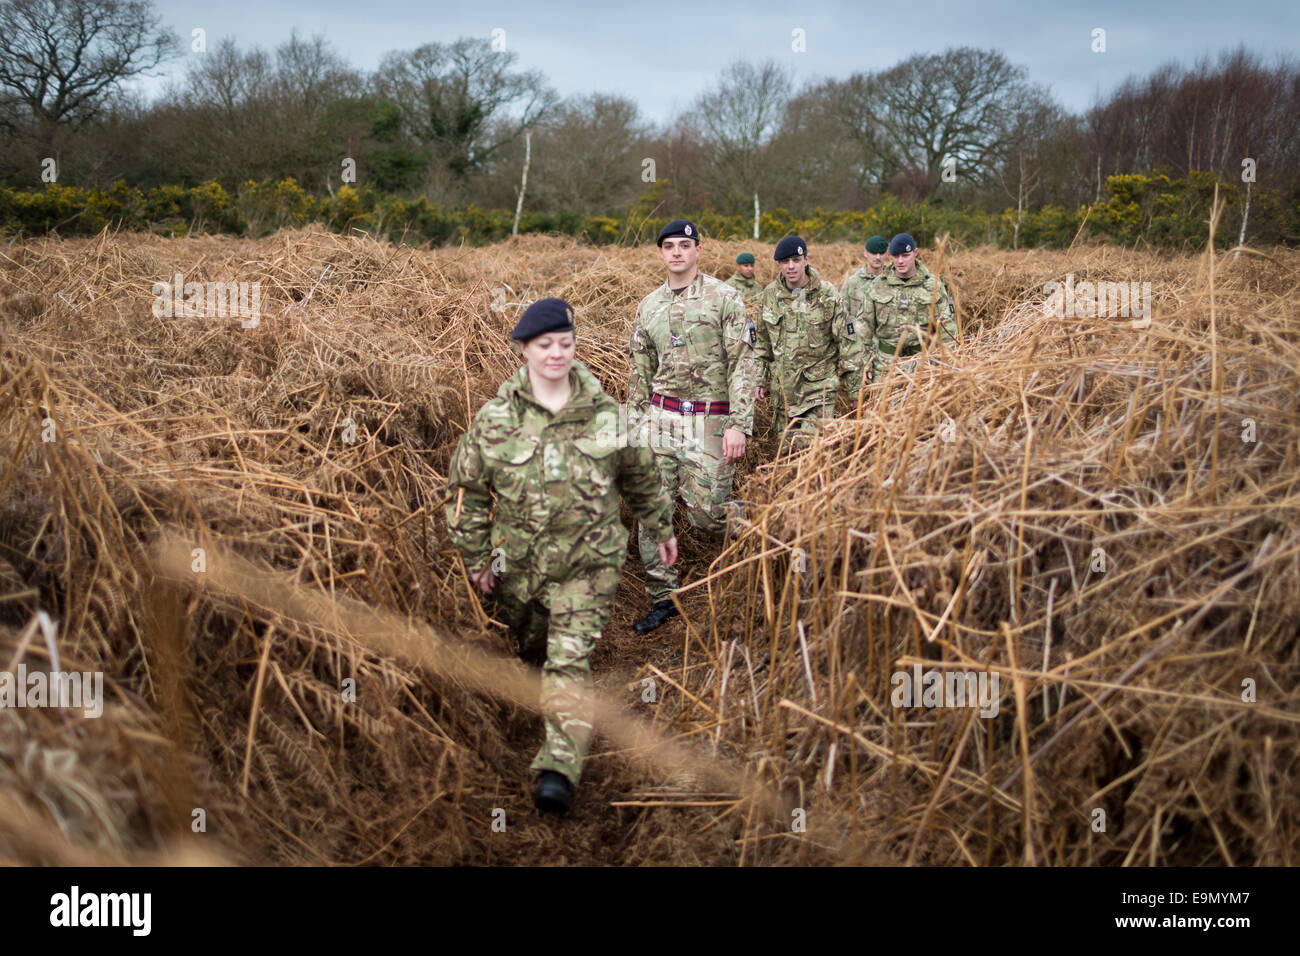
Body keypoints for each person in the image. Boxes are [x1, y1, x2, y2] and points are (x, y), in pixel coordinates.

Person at [445, 297, 677, 816]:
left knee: (569, 659)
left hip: (590, 566)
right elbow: (467, 493)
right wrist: (478, 557)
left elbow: (639, 475)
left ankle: (559, 766)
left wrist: (660, 525)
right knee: (534, 651)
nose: (557, 354)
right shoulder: (496, 419)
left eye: (566, 344)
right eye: (545, 345)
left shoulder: (604, 414)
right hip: (520, 569)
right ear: (524, 349)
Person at [628, 219, 761, 633]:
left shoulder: (725, 297)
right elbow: (639, 371)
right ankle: (663, 599)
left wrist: (740, 424)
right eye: (669, 246)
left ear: (698, 250)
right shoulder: (649, 306)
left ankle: (762, 533)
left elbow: (744, 361)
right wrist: (634, 426)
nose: (677, 253)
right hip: (661, 419)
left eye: (685, 245)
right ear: (661, 253)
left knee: (707, 515)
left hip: (710, 420)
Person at [754, 235, 865, 452]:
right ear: (779, 264)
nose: (791, 266)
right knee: (786, 453)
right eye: (785, 261)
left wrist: (855, 391)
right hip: (784, 394)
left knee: (810, 449)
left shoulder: (828, 295)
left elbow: (848, 343)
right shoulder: (769, 296)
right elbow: (761, 343)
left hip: (819, 390)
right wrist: (759, 378)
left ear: (807, 259)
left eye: (796, 260)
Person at [865, 233, 959, 384]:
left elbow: (948, 328)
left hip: (922, 366)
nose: (900, 261)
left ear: (915, 253)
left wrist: (949, 365)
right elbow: (864, 329)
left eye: (906, 255)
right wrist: (863, 366)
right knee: (884, 408)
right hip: (885, 368)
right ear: (890, 255)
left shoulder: (933, 285)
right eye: (895, 256)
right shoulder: (878, 286)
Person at [840, 236, 891, 382]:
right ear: (865, 253)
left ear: (887, 254)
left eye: (881, 253)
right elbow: (843, 318)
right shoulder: (852, 283)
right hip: (860, 352)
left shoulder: (893, 281)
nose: (877, 257)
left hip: (886, 353)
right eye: (873, 253)